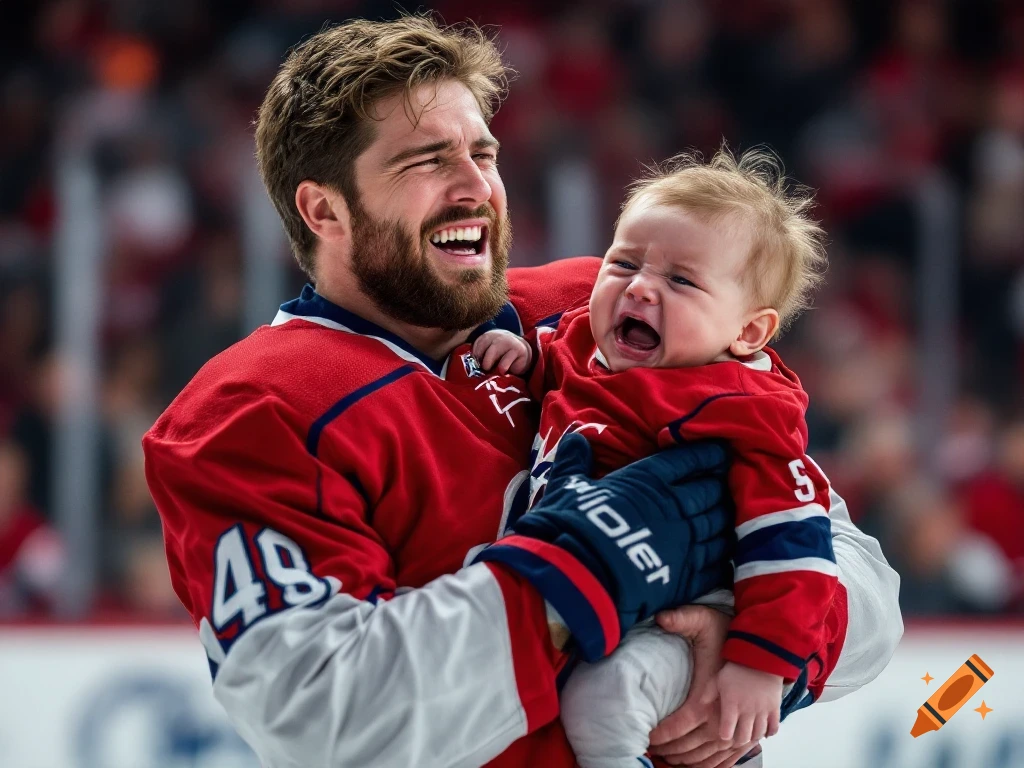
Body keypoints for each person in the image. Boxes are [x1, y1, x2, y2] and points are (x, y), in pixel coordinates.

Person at [142, 16, 903, 768]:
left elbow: (860, 585)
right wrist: (584, 576)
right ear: (324, 210)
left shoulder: (608, 310)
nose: (477, 187)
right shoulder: (251, 410)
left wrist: (734, 634)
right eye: (426, 161)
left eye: (483, 153)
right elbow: (323, 719)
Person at [472, 148, 838, 766]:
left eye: (682, 280)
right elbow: (562, 357)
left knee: (603, 702)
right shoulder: (590, 342)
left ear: (747, 333)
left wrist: (762, 662)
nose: (639, 286)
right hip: (600, 589)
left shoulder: (739, 407)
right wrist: (525, 356)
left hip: (685, 616)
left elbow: (795, 541)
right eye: (624, 263)